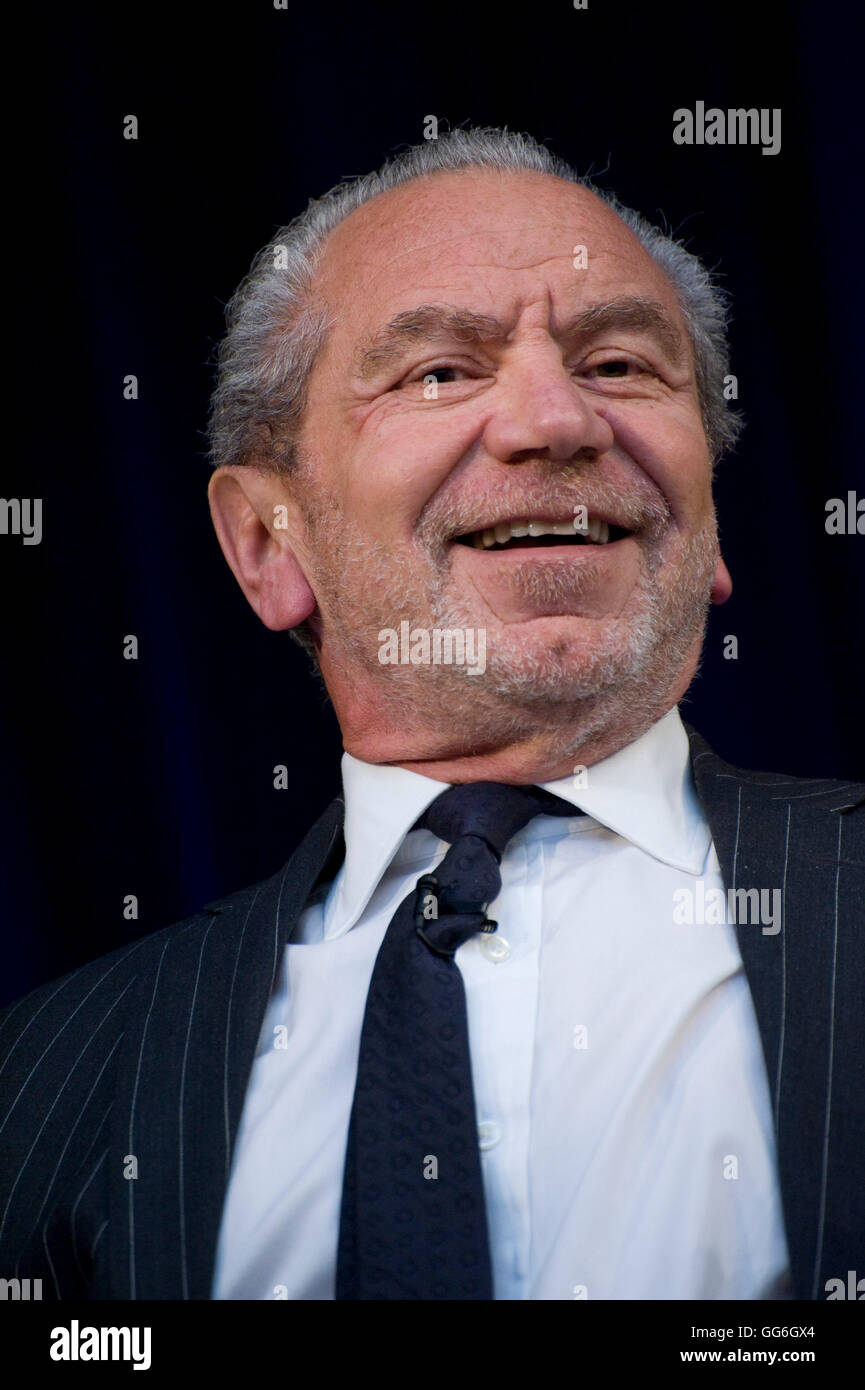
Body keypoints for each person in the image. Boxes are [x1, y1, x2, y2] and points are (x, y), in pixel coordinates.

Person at [1, 128, 861, 1302]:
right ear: (268, 543)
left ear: (708, 522)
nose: (555, 421)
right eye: (438, 372)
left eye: (618, 363)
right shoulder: (47, 1072)